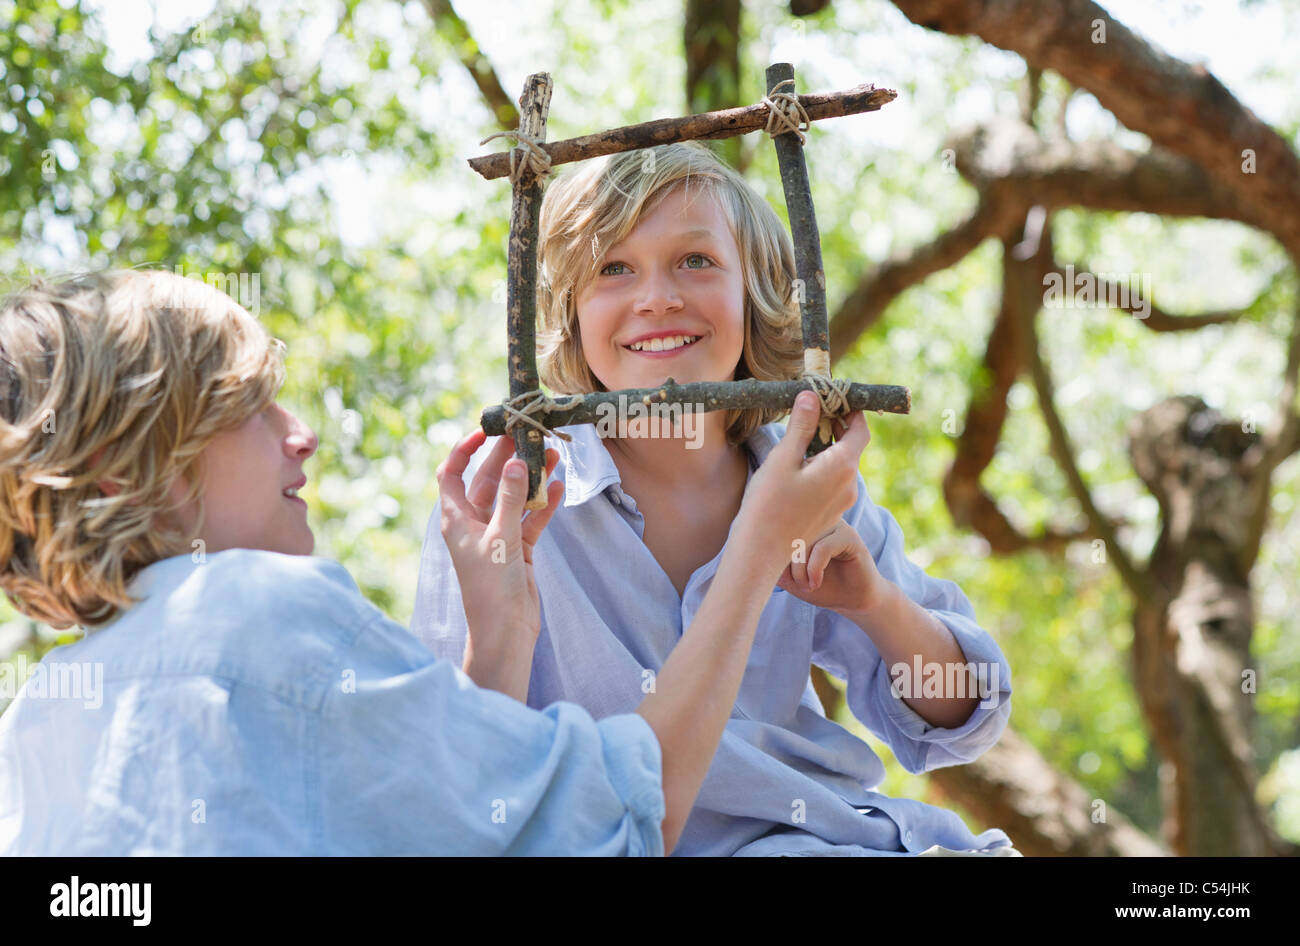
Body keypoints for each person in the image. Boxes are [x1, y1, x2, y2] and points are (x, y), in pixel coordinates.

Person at [0, 270, 868, 855]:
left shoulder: (40, 717)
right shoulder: (251, 609)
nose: (300, 434)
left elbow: (459, 832)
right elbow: (613, 822)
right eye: (253, 410)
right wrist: (759, 546)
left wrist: (498, 634)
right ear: (127, 475)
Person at [412, 141, 1022, 856]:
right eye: (613, 268)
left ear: (754, 292)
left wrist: (877, 606)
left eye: (696, 261)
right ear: (571, 315)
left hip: (831, 835)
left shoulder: (805, 484)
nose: (658, 297)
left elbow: (964, 717)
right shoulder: (511, 496)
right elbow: (461, 782)